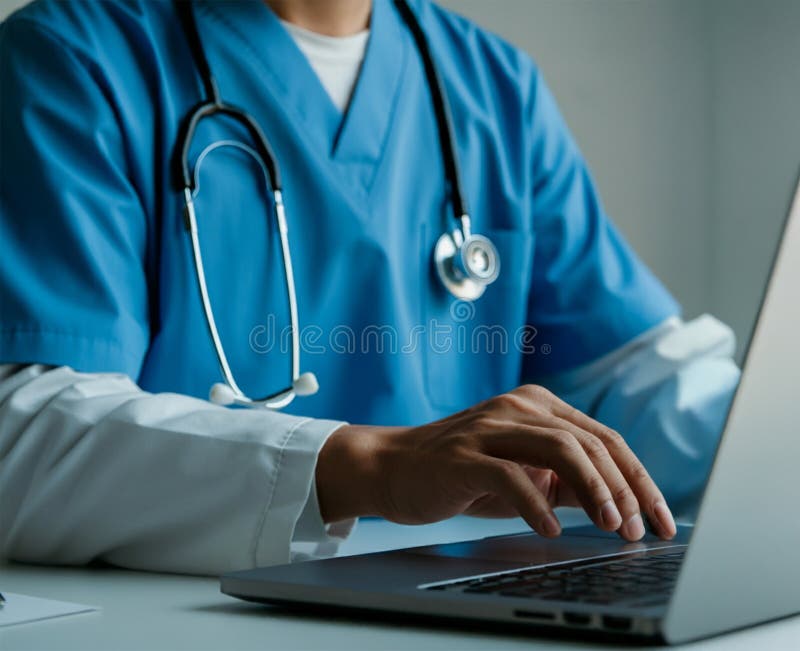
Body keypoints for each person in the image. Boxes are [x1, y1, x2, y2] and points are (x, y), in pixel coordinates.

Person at [0, 0, 739, 576]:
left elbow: (632, 377)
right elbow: (23, 438)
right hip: (181, 613)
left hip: (456, 604)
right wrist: (374, 467)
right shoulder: (74, 59)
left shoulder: (491, 85)